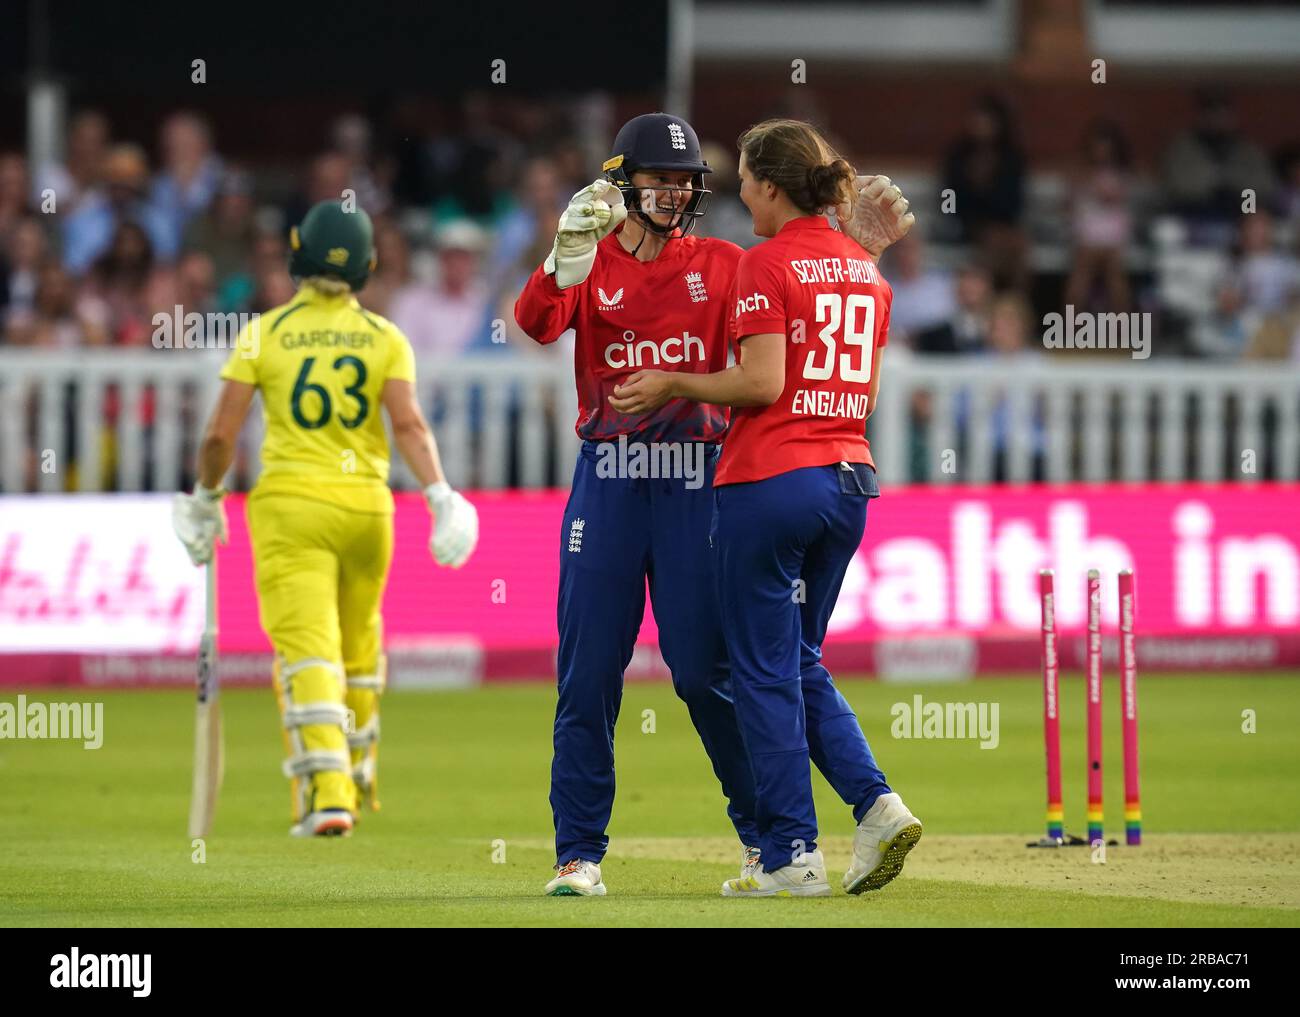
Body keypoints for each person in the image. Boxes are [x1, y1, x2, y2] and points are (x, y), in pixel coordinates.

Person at [515, 112, 913, 897]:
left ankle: (768, 842)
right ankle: (578, 852)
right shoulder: (591, 259)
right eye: (659, 180)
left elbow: (807, 299)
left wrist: (857, 248)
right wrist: (562, 258)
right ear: (625, 184)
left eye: (684, 181)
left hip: (700, 478)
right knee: (589, 670)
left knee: (707, 674)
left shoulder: (729, 262)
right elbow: (535, 324)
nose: (673, 193)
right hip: (613, 476)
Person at [171, 199, 479, 837]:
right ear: (365, 265)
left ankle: (328, 792)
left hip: (292, 508)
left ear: (297, 254)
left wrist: (206, 496)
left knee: (309, 649)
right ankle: (360, 767)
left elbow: (220, 436)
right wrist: (441, 494)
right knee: (360, 644)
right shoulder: (384, 337)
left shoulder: (266, 333)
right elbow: (410, 426)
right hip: (368, 509)